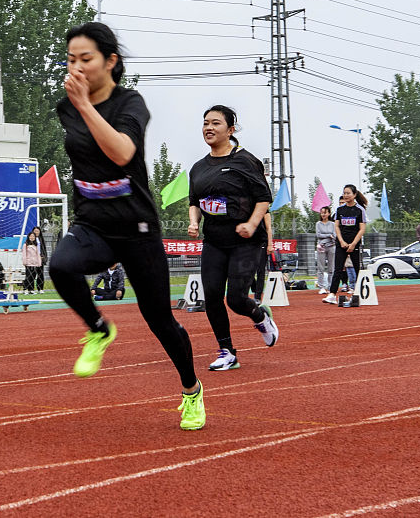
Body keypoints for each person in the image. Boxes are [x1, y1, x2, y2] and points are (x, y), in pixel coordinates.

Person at [47, 22, 204, 429]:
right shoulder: (66, 106)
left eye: (86, 58)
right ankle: (99, 329)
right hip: (92, 223)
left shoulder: (130, 103)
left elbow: (121, 154)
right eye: (70, 59)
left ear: (110, 61)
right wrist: (79, 105)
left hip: (137, 228)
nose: (76, 67)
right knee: (60, 266)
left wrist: (85, 106)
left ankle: (191, 390)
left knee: (160, 321)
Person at [186, 104, 277, 373]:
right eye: (206, 123)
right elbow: (195, 202)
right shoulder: (198, 168)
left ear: (230, 129)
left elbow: (264, 198)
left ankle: (260, 315)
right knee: (212, 296)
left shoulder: (245, 161)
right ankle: (227, 352)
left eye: (215, 123)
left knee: (236, 299)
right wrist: (194, 222)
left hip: (246, 241)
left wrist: (251, 223)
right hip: (214, 241)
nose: (209, 128)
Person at [324, 186, 367, 305]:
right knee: (338, 269)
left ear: (354, 195)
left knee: (357, 268)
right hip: (341, 243)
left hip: (354, 243)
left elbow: (362, 229)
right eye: (344, 193)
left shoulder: (360, 210)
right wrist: (341, 241)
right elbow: (336, 226)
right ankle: (332, 294)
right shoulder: (339, 209)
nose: (346, 195)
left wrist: (353, 244)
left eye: (348, 193)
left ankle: (360, 292)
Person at [314, 206, 337, 295]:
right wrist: (328, 235)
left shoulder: (333, 224)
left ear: (329, 213)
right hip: (321, 247)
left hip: (331, 246)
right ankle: (321, 287)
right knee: (321, 267)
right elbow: (318, 235)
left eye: (325, 212)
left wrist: (327, 237)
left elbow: (334, 235)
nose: (323, 214)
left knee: (331, 268)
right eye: (322, 213)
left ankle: (330, 286)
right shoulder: (318, 224)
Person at [30, 225, 48, 292]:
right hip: (33, 259)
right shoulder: (30, 239)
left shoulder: (41, 239)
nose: (36, 232)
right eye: (35, 231)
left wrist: (44, 257)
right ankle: (31, 289)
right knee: (32, 274)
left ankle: (40, 288)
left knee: (40, 274)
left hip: (40, 259)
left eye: (37, 231)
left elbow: (44, 249)